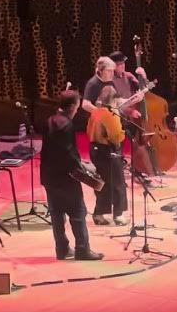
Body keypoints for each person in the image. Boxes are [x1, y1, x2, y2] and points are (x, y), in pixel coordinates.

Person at [39, 91, 104, 260]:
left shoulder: (50, 121)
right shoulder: (67, 125)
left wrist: (78, 161)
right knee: (78, 212)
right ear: (72, 106)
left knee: (57, 214)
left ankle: (62, 249)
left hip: (49, 176)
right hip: (65, 177)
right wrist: (83, 167)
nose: (77, 110)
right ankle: (83, 249)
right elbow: (68, 155)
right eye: (77, 107)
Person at [85, 86, 130, 226]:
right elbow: (116, 137)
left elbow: (88, 131)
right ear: (114, 99)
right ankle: (118, 215)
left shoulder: (95, 112)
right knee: (118, 183)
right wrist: (123, 133)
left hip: (95, 150)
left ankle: (98, 214)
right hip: (108, 152)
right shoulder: (111, 115)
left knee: (102, 183)